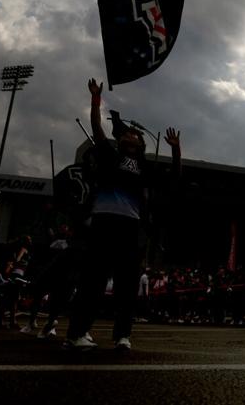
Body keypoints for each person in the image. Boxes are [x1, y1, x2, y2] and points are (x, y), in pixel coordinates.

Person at [64, 78, 180, 352]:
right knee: (93, 281)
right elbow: (96, 129)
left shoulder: (145, 167)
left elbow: (173, 178)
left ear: (140, 143)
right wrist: (96, 100)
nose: (130, 135)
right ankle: (77, 333)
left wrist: (176, 149)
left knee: (127, 285)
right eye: (126, 133)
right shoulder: (109, 155)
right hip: (103, 222)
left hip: (130, 227)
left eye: (135, 135)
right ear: (120, 139)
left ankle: (123, 335)